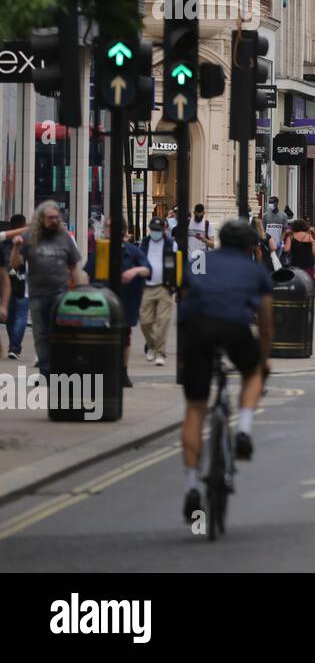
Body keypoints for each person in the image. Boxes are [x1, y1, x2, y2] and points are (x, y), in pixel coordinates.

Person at [177, 218, 273, 522]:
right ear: (249, 246)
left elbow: (186, 303)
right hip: (234, 329)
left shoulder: (200, 262)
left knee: (194, 409)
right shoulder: (254, 270)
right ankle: (243, 430)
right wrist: (265, 357)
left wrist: (183, 354)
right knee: (253, 372)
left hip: (197, 331)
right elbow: (266, 321)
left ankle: (192, 486)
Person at [83, 218, 151, 387]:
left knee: (124, 337)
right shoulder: (100, 250)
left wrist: (134, 271)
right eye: (106, 226)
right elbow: (87, 274)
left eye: (111, 226)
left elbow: (147, 269)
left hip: (125, 300)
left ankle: (122, 371)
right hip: (101, 301)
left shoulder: (132, 251)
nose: (107, 229)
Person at [17, 202, 79, 377]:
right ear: (41, 219)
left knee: (61, 332)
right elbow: (15, 263)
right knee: (41, 334)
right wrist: (15, 248)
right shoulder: (30, 237)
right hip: (37, 295)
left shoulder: (65, 238)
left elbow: (74, 266)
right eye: (49, 218)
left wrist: (79, 290)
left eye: (56, 217)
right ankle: (46, 370)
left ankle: (61, 368)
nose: (53, 221)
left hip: (61, 294)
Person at [138, 217, 177, 369]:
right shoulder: (145, 243)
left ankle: (160, 353)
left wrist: (175, 286)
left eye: (158, 230)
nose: (155, 233)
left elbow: (177, 264)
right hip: (147, 286)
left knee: (163, 321)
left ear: (163, 230)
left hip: (164, 287)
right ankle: (152, 344)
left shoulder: (170, 244)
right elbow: (140, 259)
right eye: (153, 230)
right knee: (145, 321)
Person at [3, 214, 28, 359]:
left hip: (7, 282)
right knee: (21, 314)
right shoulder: (28, 241)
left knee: (10, 315)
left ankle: (13, 343)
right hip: (23, 281)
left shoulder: (5, 242)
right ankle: (14, 346)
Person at [285, 219, 315, 299]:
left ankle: (297, 293)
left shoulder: (291, 237)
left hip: (296, 262)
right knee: (310, 278)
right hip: (308, 262)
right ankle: (311, 293)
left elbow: (286, 249)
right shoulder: (309, 237)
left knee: (297, 279)